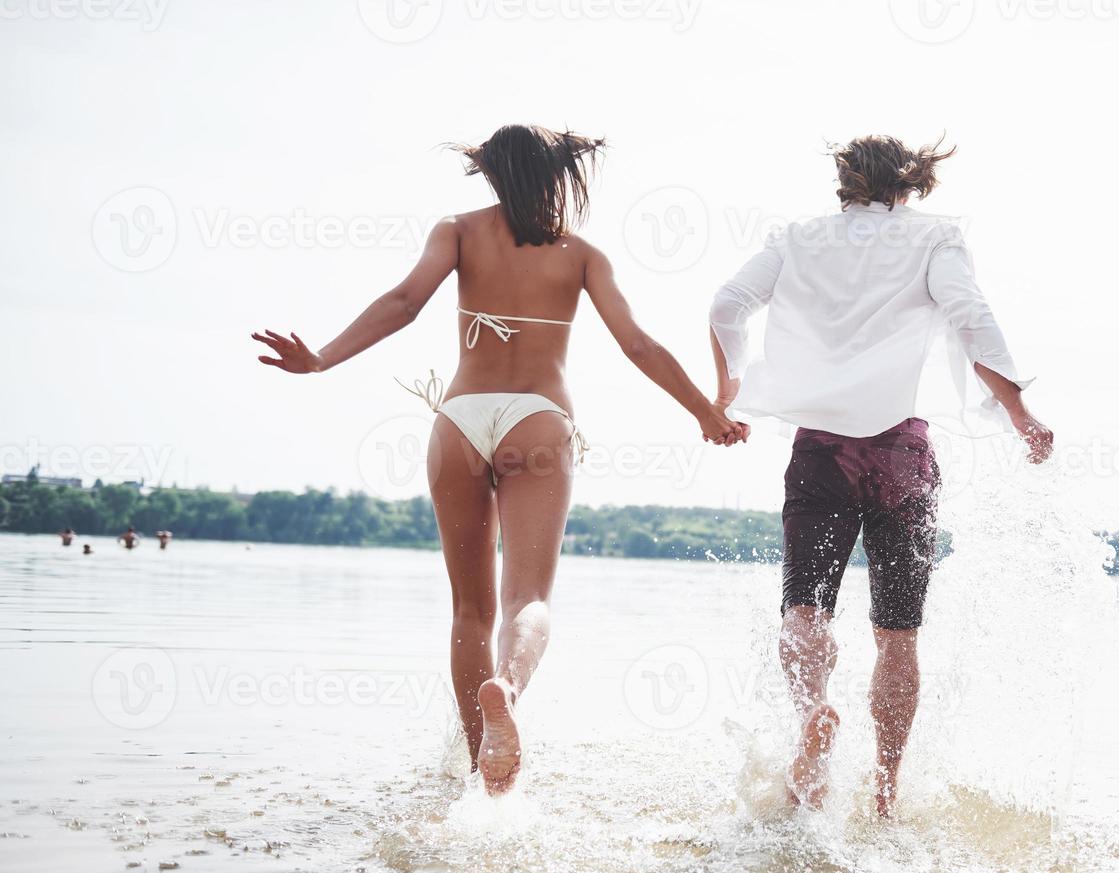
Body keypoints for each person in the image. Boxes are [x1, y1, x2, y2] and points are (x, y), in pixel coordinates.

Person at [253, 124, 745, 795]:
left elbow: (402, 304)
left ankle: (480, 763)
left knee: (468, 612)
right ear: (553, 177)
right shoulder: (581, 256)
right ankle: (506, 691)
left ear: (490, 174)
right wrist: (703, 411)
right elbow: (635, 344)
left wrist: (320, 361)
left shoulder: (455, 232)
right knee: (529, 598)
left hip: (459, 419)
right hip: (537, 419)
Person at [708, 135, 1054, 818]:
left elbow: (726, 305)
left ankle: (812, 715)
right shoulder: (934, 238)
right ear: (913, 182)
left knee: (804, 611)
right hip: (899, 453)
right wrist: (1017, 410)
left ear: (842, 182)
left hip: (820, 451)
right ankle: (887, 792)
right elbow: (970, 316)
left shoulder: (796, 238)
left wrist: (727, 390)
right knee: (896, 634)